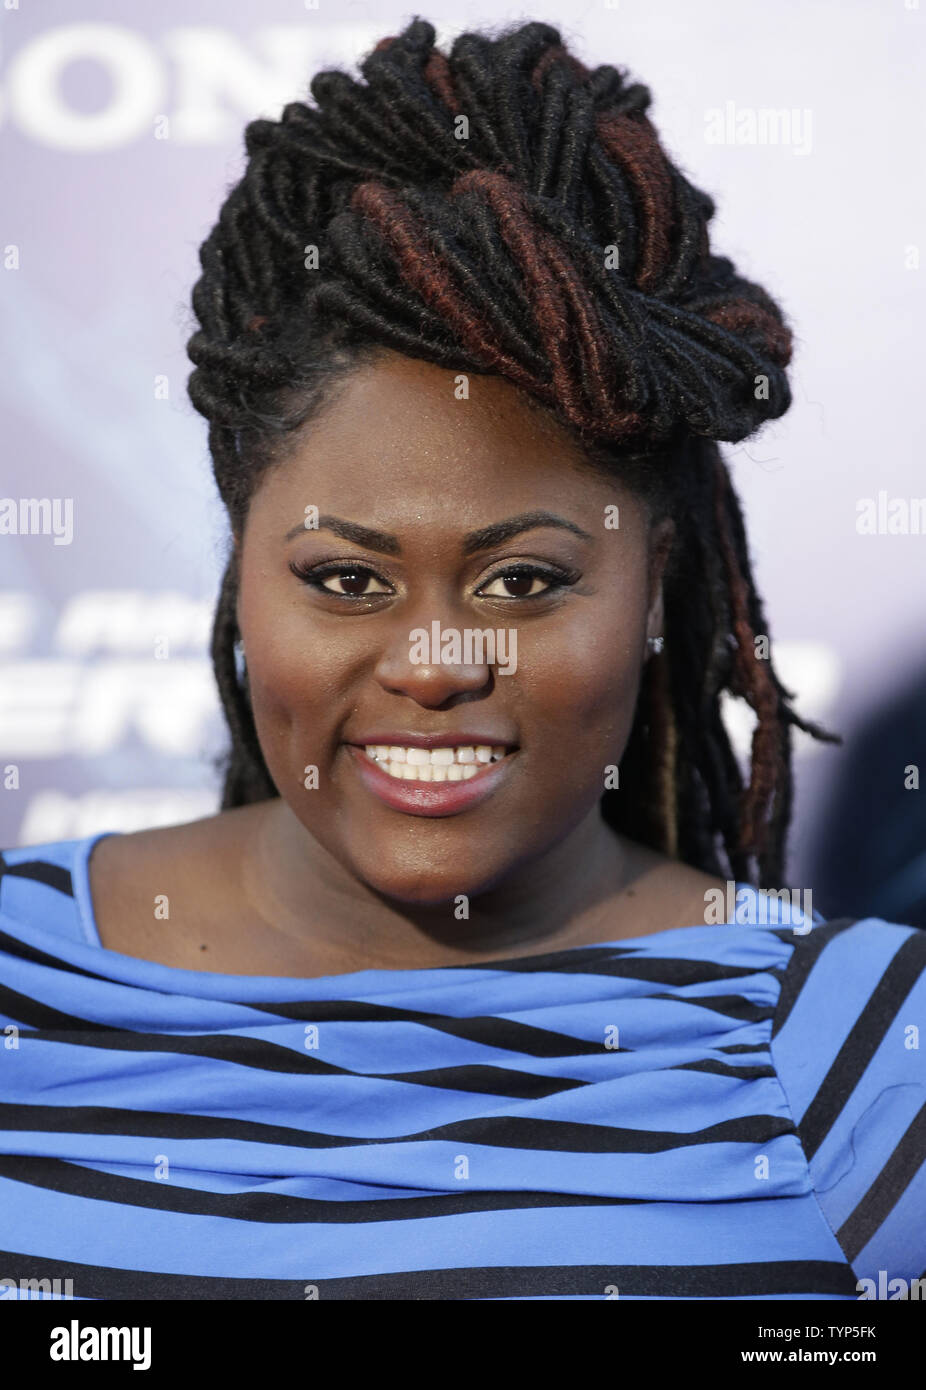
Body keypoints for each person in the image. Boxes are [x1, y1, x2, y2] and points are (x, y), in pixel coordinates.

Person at [0, 18, 923, 1302]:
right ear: (240, 564)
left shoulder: (864, 1052)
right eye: (345, 579)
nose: (432, 663)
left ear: (654, 581)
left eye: (523, 581)